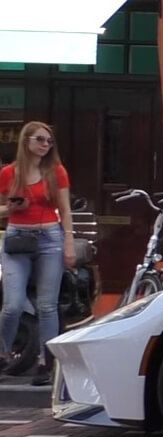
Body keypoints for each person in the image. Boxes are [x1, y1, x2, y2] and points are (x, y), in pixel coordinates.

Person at [0, 122, 78, 385]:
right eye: (41, 139)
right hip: (17, 238)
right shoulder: (10, 173)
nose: (46, 144)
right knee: (12, 305)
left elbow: (65, 210)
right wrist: (11, 208)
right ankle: (3, 352)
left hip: (49, 238)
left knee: (46, 305)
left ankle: (45, 364)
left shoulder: (56, 172)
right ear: (26, 141)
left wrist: (69, 243)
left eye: (49, 141)